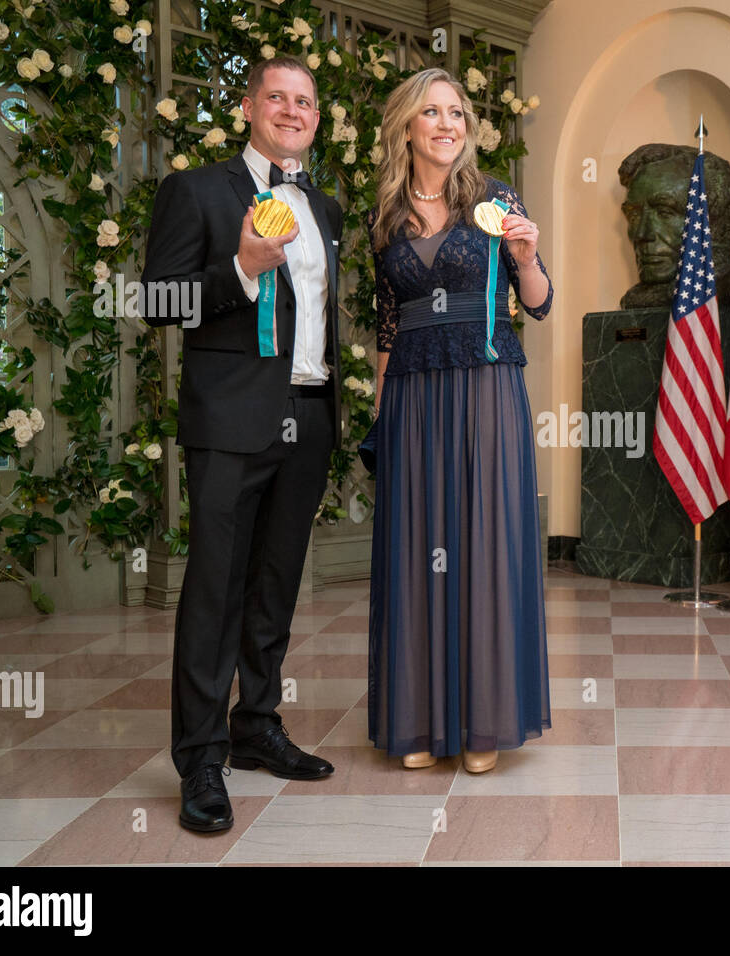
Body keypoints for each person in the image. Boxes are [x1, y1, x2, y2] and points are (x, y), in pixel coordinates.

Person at [140, 55, 342, 833]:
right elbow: (160, 298)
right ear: (250, 106)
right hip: (229, 419)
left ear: (315, 118)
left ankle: (257, 724)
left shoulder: (321, 205)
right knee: (216, 588)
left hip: (309, 414)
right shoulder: (196, 190)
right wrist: (240, 268)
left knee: (275, 583)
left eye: (306, 101)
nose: (293, 110)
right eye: (279, 98)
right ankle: (200, 755)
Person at [366, 67, 553, 773]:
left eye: (457, 113)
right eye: (432, 112)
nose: (447, 124)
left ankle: (481, 721)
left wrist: (527, 259)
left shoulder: (497, 199)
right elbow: (385, 329)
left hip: (485, 388)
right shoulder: (383, 217)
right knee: (417, 544)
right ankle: (417, 720)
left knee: (480, 542)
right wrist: (382, 419)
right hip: (414, 395)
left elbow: (538, 302)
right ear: (407, 127)